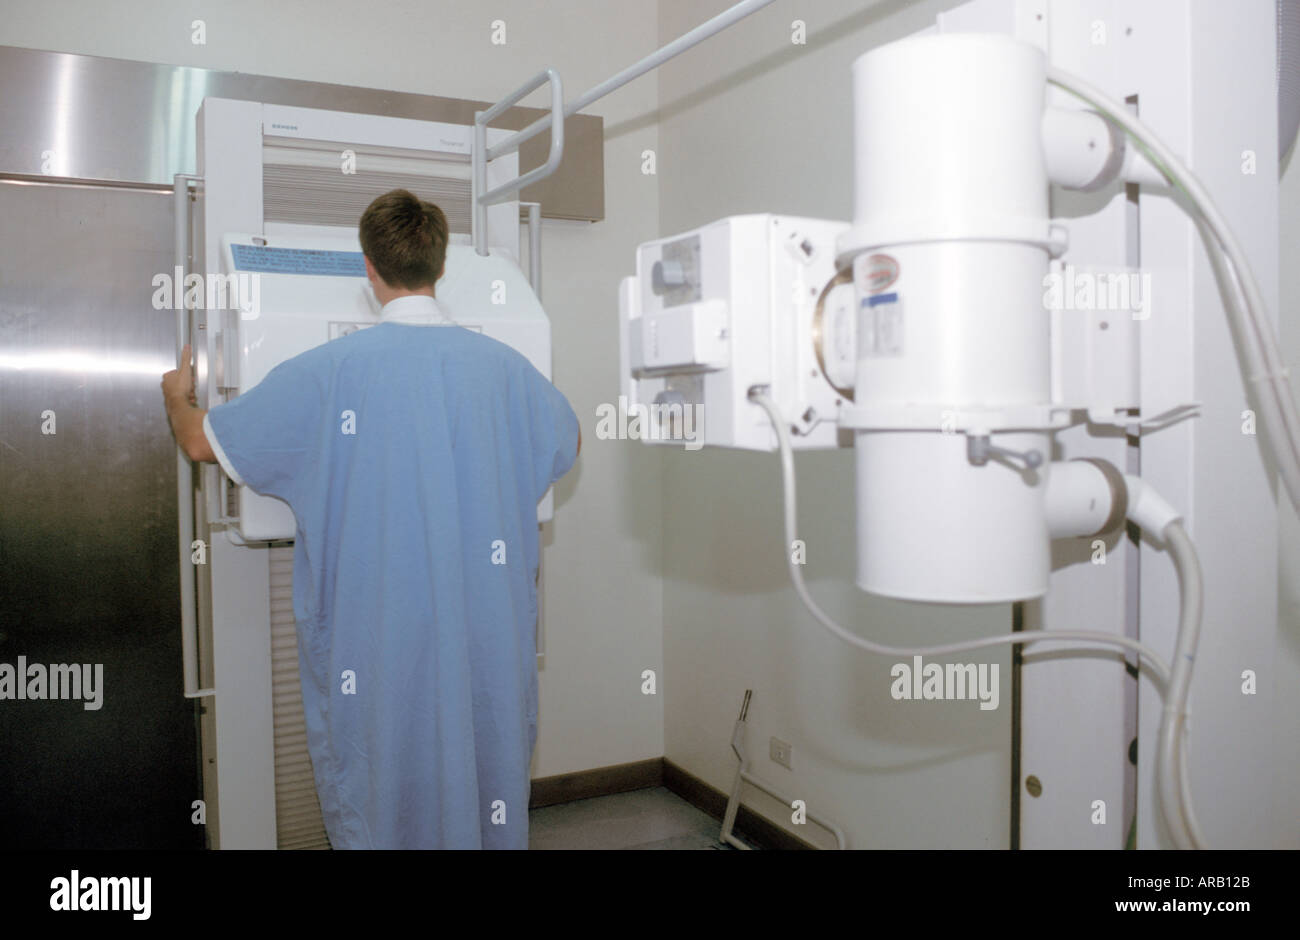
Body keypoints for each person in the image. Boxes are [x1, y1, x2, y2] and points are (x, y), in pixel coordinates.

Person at [161, 189, 580, 849]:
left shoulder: (328, 373)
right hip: (486, 634)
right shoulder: (507, 371)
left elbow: (199, 443)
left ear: (368, 267)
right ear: (441, 268)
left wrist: (176, 398)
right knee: (484, 776)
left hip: (379, 640)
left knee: (384, 785)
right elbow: (566, 441)